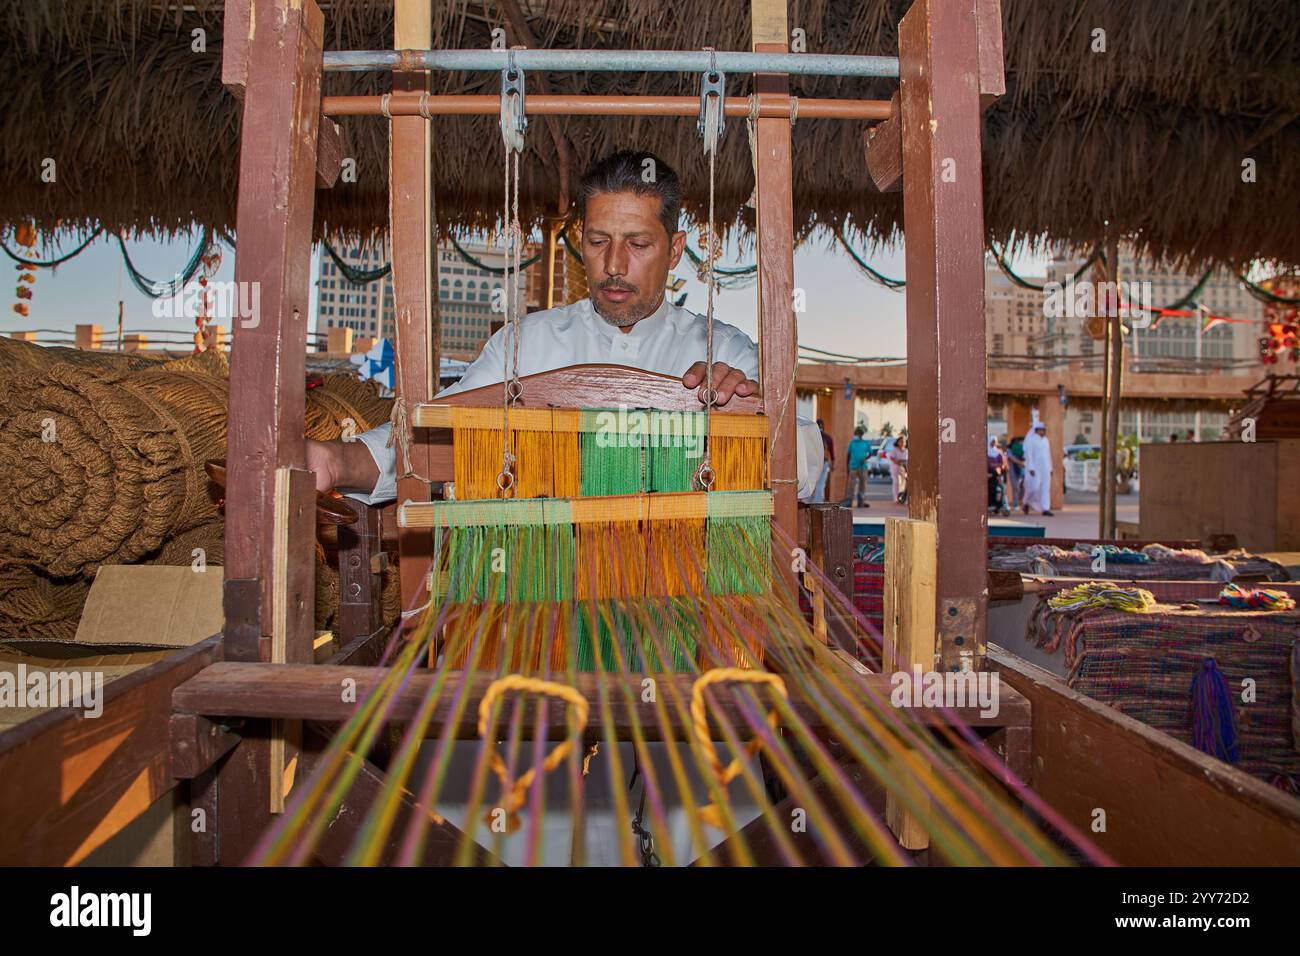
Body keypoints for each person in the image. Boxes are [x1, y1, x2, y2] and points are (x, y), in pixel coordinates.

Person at [306, 149, 824, 503]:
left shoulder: (725, 354)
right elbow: (435, 435)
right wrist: (337, 462)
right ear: (580, 241)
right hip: (545, 603)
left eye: (638, 244)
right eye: (599, 242)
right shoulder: (525, 346)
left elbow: (807, 468)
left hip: (682, 606)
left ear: (675, 251)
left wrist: (750, 425)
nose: (615, 264)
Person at [1021, 420, 1054, 516]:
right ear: (1036, 430)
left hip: (1045, 467)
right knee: (1033, 488)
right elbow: (1029, 455)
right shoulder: (1031, 440)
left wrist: (1050, 468)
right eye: (1041, 430)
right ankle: (1026, 502)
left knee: (1045, 488)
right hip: (1034, 468)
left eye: (1044, 430)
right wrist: (1031, 467)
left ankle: (1045, 508)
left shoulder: (1045, 440)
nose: (1043, 432)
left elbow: (1048, 455)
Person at [845, 426, 872, 508]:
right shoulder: (852, 443)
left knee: (862, 485)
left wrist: (865, 458)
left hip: (863, 467)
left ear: (861, 434)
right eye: (857, 433)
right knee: (851, 485)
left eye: (859, 433)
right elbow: (848, 455)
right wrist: (847, 467)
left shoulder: (866, 443)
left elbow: (871, 453)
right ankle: (849, 501)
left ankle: (861, 501)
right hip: (853, 466)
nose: (858, 435)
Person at [811, 418, 834, 502]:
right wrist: (833, 463)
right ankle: (818, 501)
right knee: (821, 483)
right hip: (824, 462)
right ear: (823, 427)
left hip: (814, 463)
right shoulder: (828, 438)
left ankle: (813, 500)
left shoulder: (812, 437)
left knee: (813, 482)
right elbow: (831, 452)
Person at [1006, 434, 1025, 509]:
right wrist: (1021, 463)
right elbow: (1012, 458)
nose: (1021, 443)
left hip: (1022, 471)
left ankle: (1022, 502)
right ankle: (1016, 504)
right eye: (1020, 442)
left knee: (1023, 487)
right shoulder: (1009, 450)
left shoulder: (1023, 450)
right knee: (1015, 487)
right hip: (1013, 471)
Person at [888, 434, 908, 503]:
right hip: (896, 468)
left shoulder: (906, 451)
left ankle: (901, 497)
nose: (902, 443)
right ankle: (896, 498)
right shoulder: (894, 450)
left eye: (904, 441)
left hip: (904, 468)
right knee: (896, 482)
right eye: (901, 441)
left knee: (903, 483)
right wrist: (898, 462)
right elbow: (891, 458)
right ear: (897, 442)